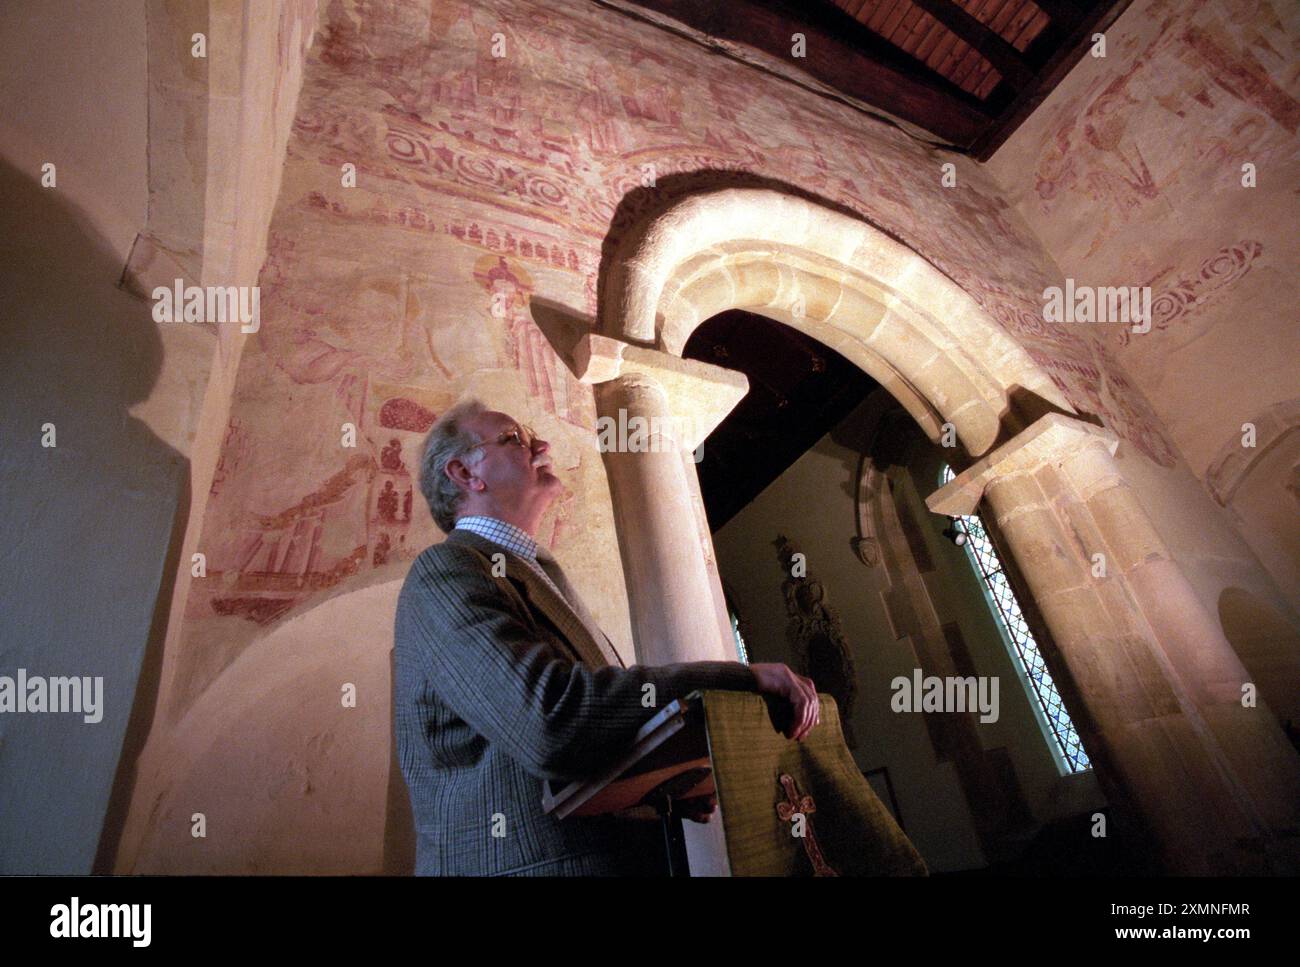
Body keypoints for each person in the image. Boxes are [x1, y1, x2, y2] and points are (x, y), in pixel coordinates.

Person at [393, 398, 819, 875]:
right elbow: (548, 721)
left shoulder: (534, 574)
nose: (542, 446)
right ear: (464, 474)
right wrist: (736, 678)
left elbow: (583, 744)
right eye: (515, 438)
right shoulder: (448, 570)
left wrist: (655, 791)